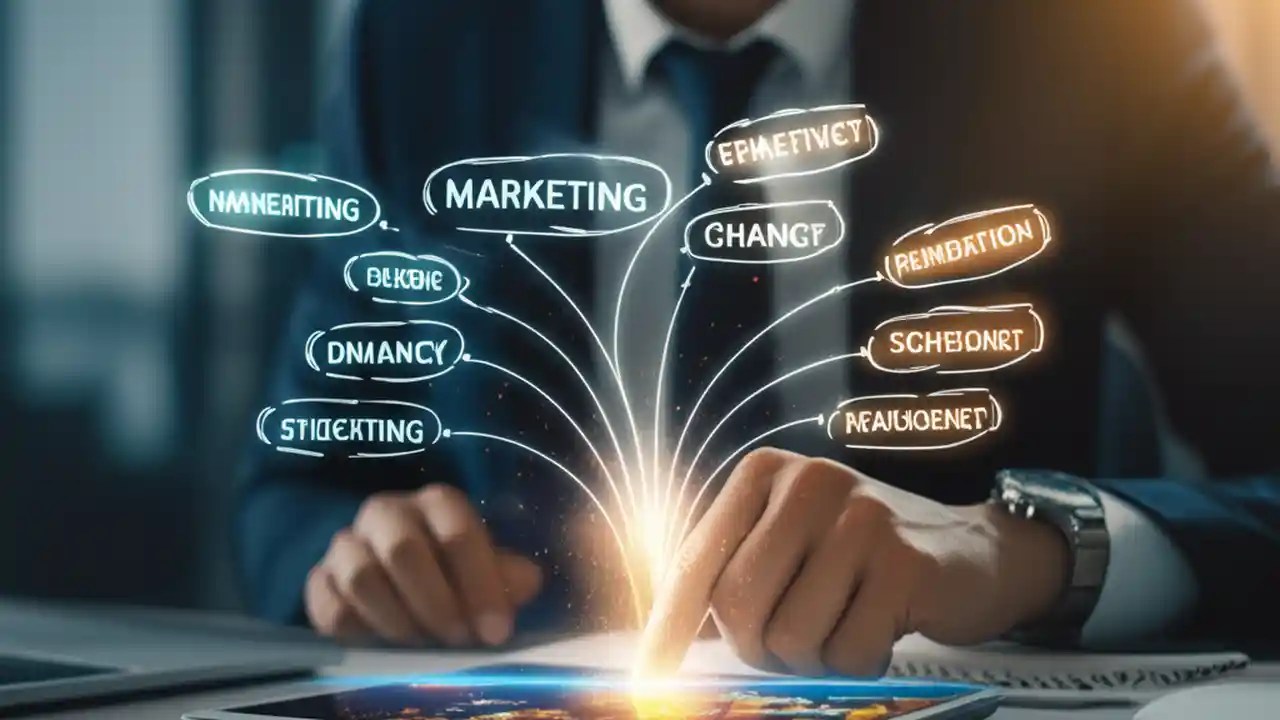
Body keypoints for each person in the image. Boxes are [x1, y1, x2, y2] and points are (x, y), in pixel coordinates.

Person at [237, 0, 1280, 674]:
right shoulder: (419, 41)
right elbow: (290, 493)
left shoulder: (1095, 37)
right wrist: (357, 553)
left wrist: (1027, 549)